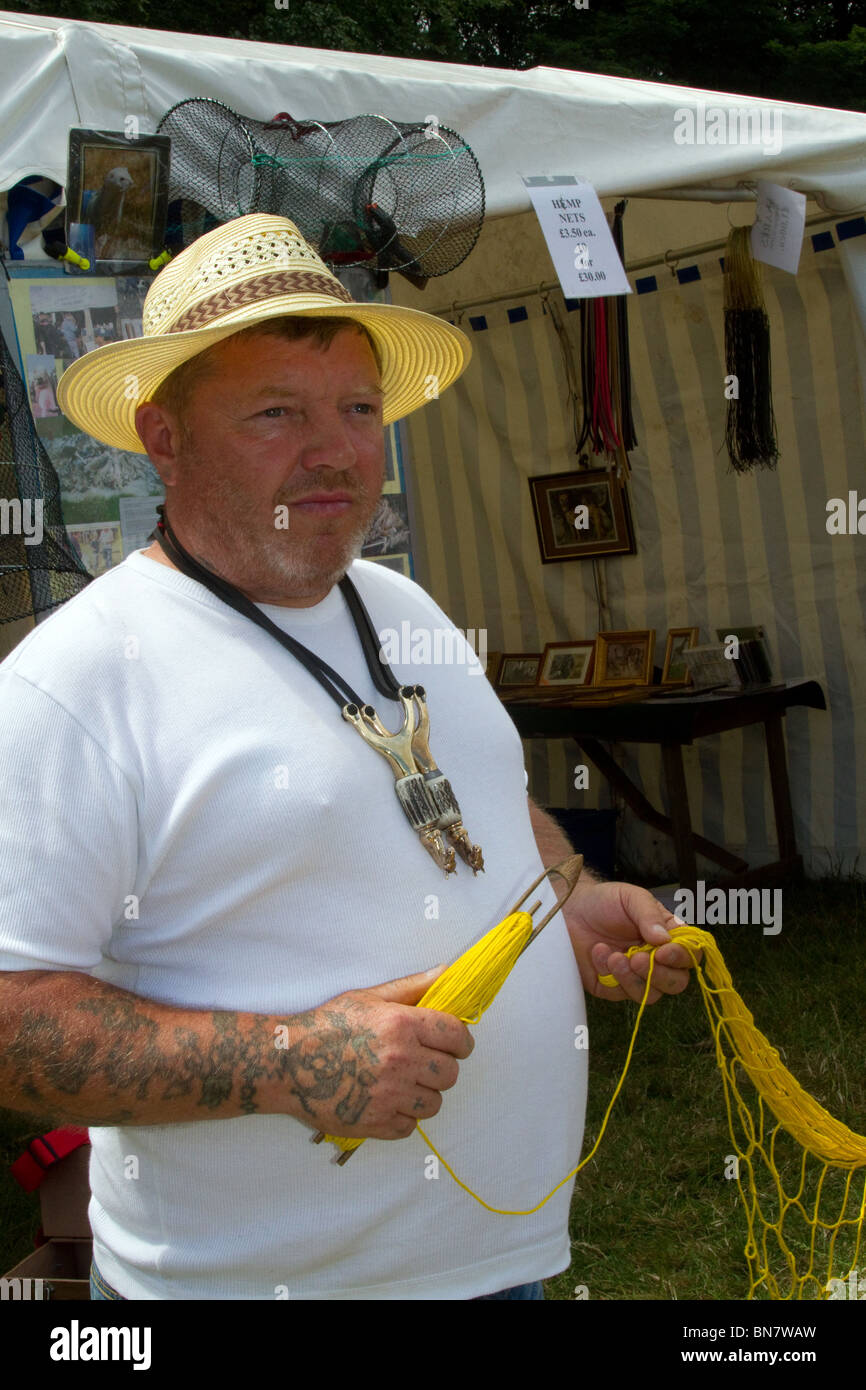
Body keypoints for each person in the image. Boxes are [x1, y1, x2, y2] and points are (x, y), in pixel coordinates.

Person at [0, 214, 697, 1301]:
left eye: (358, 410)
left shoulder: (401, 605)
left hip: (500, 1257)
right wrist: (285, 1061)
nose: (334, 449)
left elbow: (490, 808)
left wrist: (567, 904)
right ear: (163, 436)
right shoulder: (76, 683)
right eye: (275, 412)